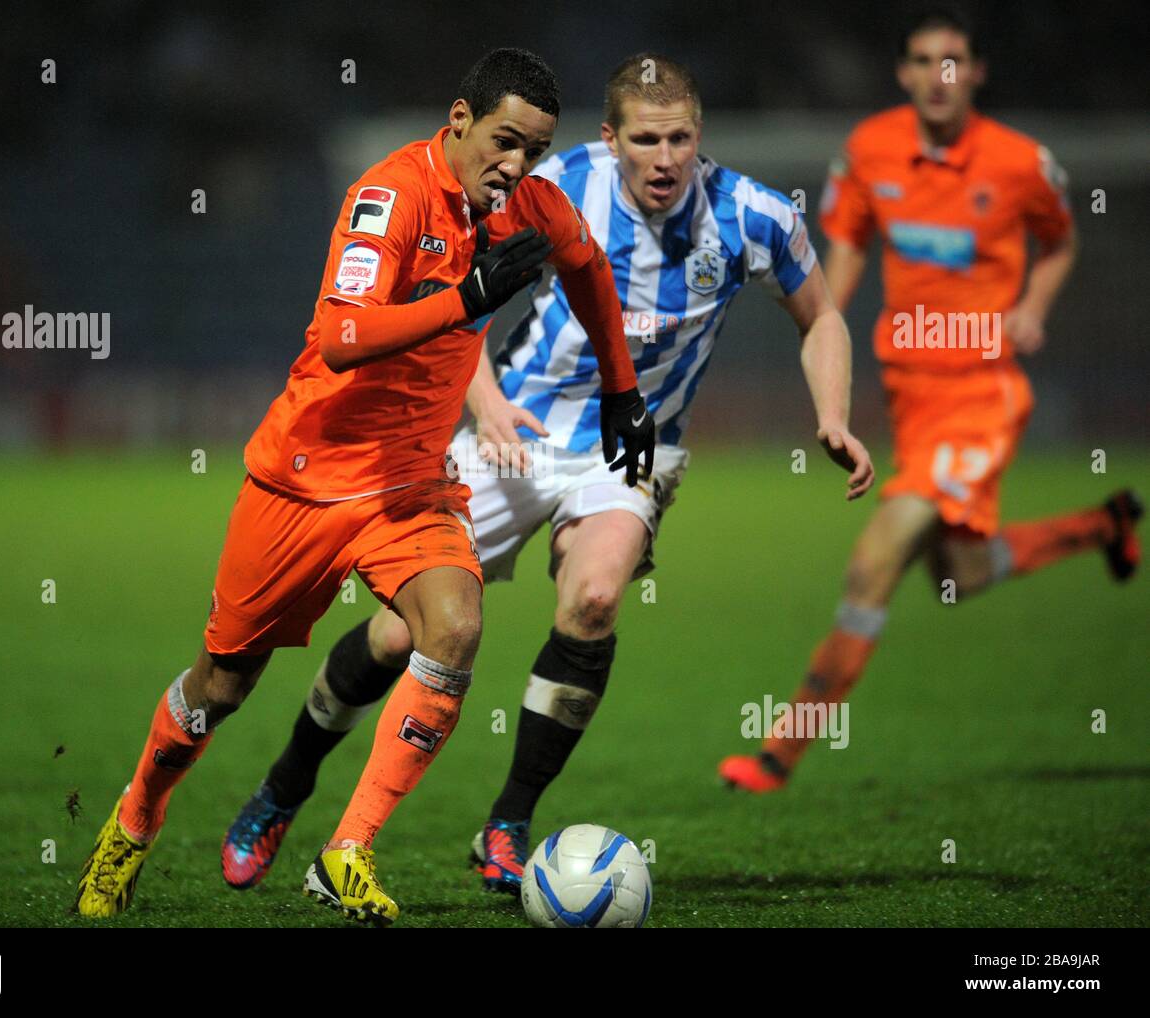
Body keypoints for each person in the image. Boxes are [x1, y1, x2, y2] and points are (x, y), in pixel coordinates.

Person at [221, 52, 874, 898]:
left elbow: (820, 316)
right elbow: (455, 291)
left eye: (681, 137)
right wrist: (481, 399)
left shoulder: (756, 217)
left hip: (630, 441)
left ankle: (509, 821)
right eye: (646, 140)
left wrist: (832, 416)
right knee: (397, 635)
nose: (666, 158)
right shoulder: (552, 180)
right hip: (515, 428)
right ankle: (283, 788)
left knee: (596, 598)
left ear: (700, 136)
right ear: (611, 140)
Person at [74, 47, 654, 926]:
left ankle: (345, 851)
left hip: (408, 488)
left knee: (455, 628)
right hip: (303, 484)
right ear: (458, 120)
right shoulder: (391, 196)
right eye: (503, 142)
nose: (517, 166)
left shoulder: (528, 207)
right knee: (222, 688)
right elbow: (340, 334)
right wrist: (463, 300)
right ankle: (133, 821)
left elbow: (589, 269)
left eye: (534, 151)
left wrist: (621, 388)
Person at [720, 8, 1141, 793]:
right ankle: (1101, 525)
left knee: (877, 558)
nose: (938, 75)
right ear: (903, 73)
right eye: (922, 60)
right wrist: (823, 329)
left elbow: (1062, 241)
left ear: (976, 72)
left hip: (982, 396)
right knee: (963, 575)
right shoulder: (870, 152)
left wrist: (1032, 310)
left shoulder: (1021, 164)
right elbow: (840, 260)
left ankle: (782, 748)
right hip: (910, 396)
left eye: (953, 60)